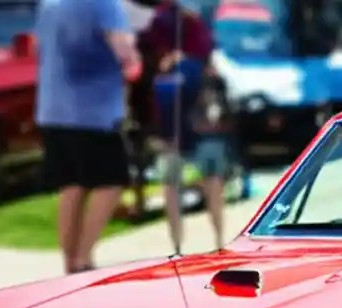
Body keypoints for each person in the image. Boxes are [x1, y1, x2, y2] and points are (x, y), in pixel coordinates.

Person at [34, 0, 142, 274]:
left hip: (53, 107)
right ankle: (84, 258)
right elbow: (124, 53)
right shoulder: (106, 5)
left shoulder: (50, 4)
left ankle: (69, 261)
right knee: (112, 181)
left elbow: (38, 47)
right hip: (95, 112)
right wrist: (135, 62)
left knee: (71, 186)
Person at [141, 0, 212, 253]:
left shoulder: (167, 19)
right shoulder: (183, 19)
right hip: (187, 113)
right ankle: (183, 241)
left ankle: (179, 242)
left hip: (176, 113)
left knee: (177, 178)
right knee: (193, 174)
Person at [189, 60, 237, 249]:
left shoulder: (218, 93)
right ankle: (218, 234)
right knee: (213, 190)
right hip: (205, 143)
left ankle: (218, 234)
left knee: (214, 189)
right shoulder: (200, 94)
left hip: (213, 144)